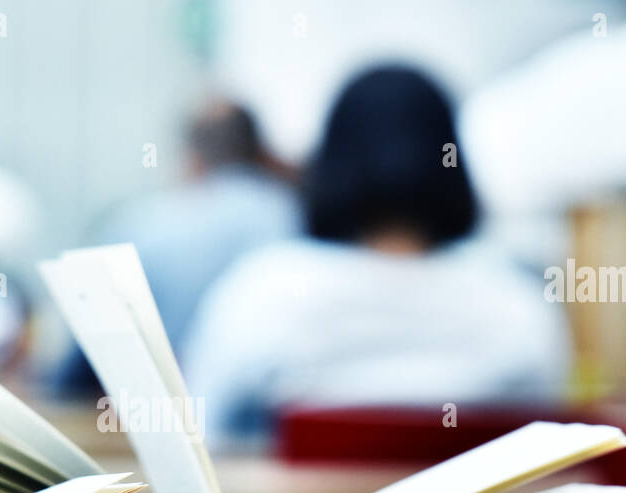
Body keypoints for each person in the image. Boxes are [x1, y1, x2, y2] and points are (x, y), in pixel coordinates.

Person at [182, 65, 571, 444]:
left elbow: (204, 432)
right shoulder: (516, 307)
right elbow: (548, 438)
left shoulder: (262, 294)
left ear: (328, 163)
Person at [54, 99, 299, 392]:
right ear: (258, 151)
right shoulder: (289, 216)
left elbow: (81, 357)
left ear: (192, 157)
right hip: (260, 423)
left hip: (152, 417)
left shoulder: (136, 224)